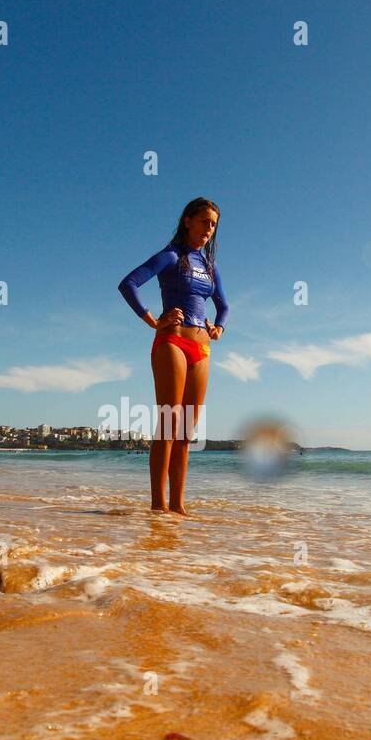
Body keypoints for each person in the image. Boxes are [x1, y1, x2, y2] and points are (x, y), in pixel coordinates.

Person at [118, 197, 228, 515]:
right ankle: (158, 506)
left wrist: (218, 328)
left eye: (214, 224)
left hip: (201, 348)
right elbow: (129, 284)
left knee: (185, 433)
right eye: (205, 221)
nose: (210, 228)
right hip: (172, 342)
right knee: (168, 424)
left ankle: (178, 506)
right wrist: (153, 320)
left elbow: (224, 305)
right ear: (187, 221)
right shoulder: (170, 256)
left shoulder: (210, 267)